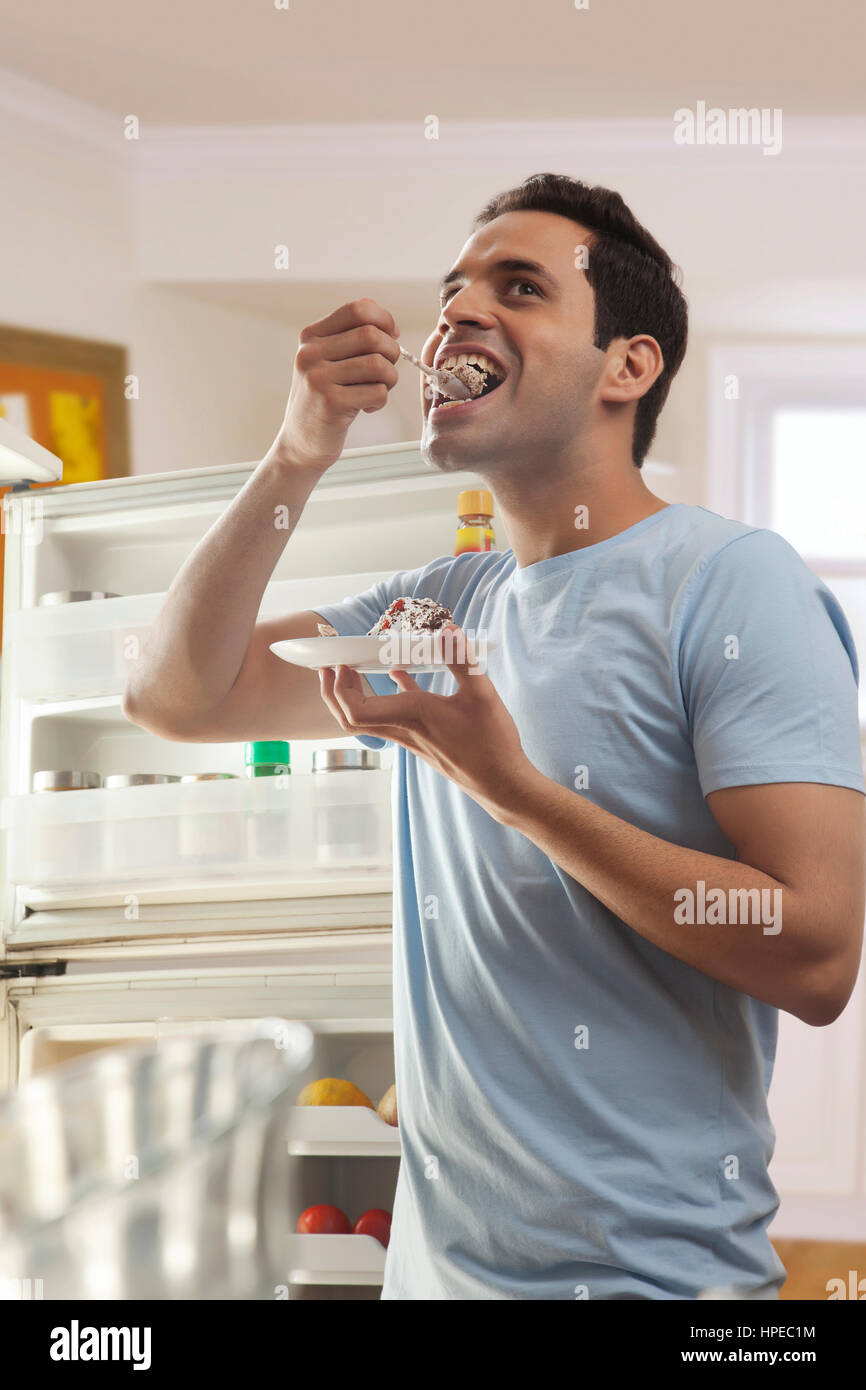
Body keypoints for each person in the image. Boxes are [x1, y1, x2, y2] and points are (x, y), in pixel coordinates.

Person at [124, 172, 865, 1300]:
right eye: (453, 291)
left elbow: (814, 953)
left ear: (627, 366)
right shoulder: (438, 605)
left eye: (518, 287)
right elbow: (175, 694)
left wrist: (509, 787)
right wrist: (295, 455)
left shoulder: (729, 585)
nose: (459, 313)